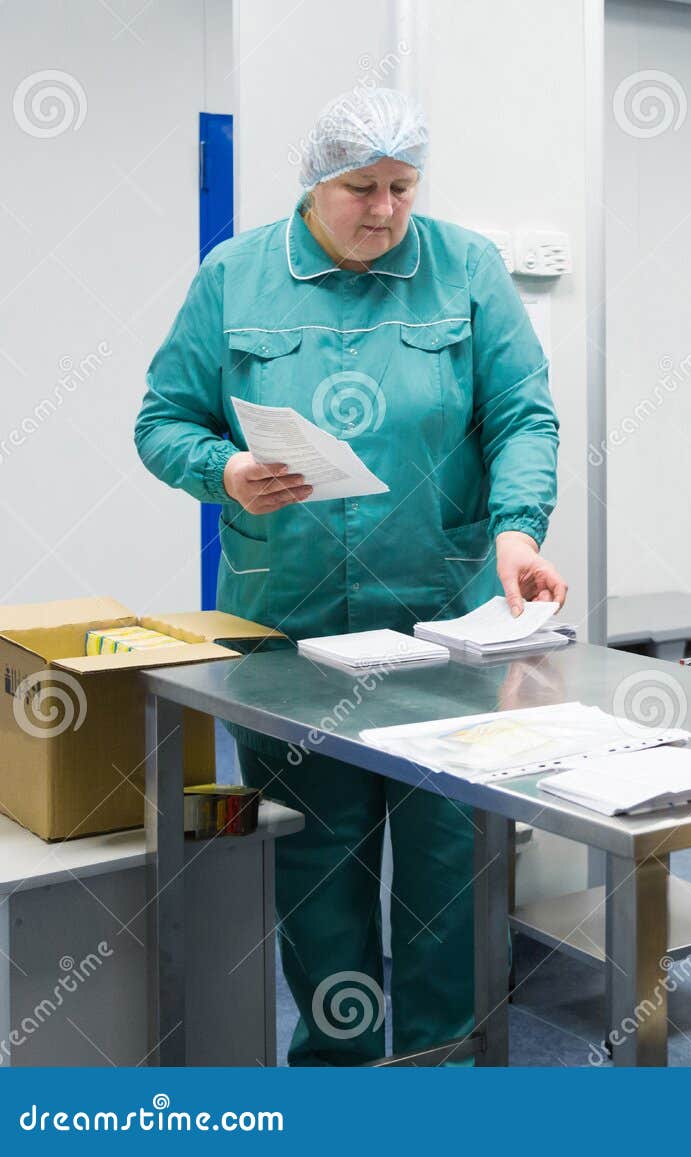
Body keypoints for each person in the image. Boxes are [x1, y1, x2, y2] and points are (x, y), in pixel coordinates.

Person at [134, 88, 565, 1063]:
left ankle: (445, 1073)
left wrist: (517, 529)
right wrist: (225, 471)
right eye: (361, 188)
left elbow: (522, 415)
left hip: (442, 627)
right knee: (316, 873)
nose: (385, 209)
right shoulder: (236, 275)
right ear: (313, 183)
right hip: (289, 630)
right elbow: (162, 423)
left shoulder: (465, 269)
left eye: (402, 187)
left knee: (451, 867)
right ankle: (338, 1072)